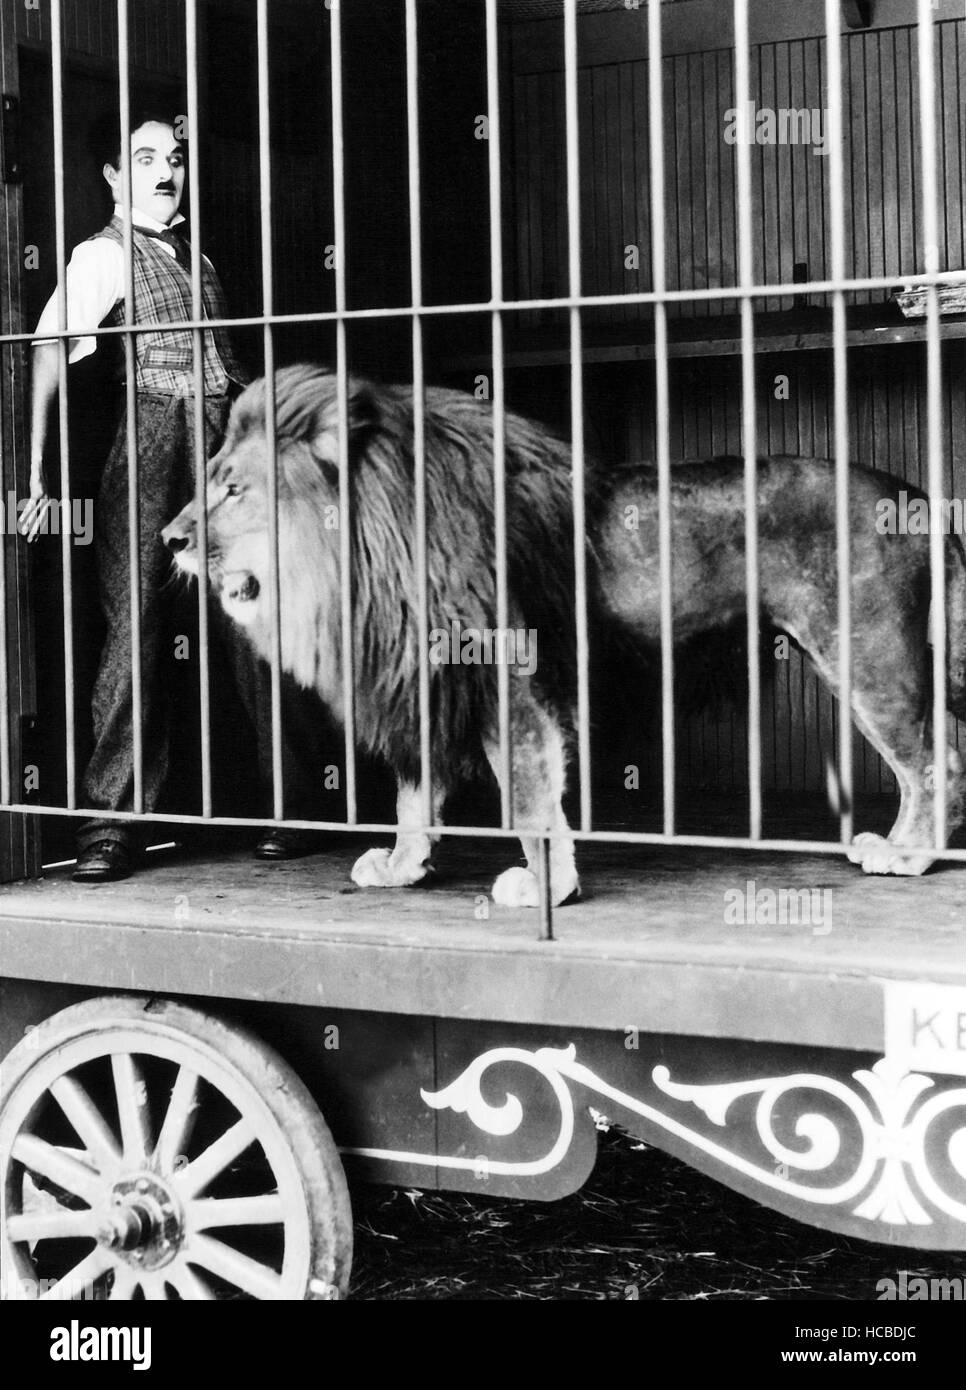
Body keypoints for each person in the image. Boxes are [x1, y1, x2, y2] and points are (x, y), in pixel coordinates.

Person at [24, 108, 328, 881]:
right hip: (151, 449)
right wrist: (33, 467)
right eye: (147, 156)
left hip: (223, 454)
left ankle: (294, 808)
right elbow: (48, 350)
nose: (167, 169)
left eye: (177, 156)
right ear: (116, 178)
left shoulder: (204, 261)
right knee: (136, 628)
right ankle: (111, 825)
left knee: (255, 615)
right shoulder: (101, 257)